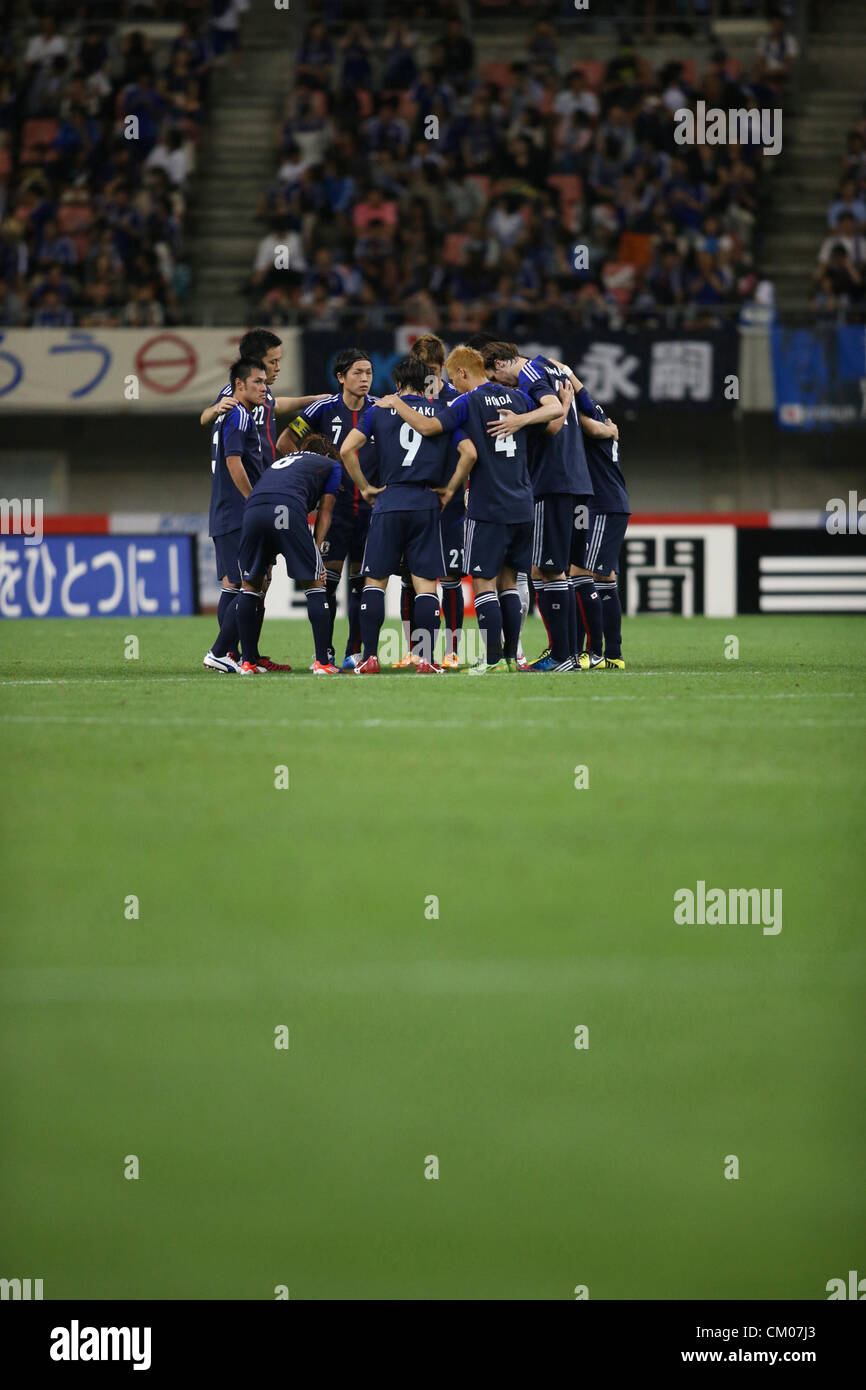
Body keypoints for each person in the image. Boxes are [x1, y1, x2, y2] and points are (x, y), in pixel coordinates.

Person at [382, 345, 563, 673]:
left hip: (488, 504)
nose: (453, 385)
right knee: (509, 582)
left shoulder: (468, 401)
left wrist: (396, 403)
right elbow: (552, 424)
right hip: (522, 503)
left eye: (453, 378)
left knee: (483, 583)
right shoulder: (518, 398)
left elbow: (428, 427)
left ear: (463, 373)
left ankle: (491, 660)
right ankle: (510, 658)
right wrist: (560, 405)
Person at [339, 356, 476, 674]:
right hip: (426, 503)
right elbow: (469, 452)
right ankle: (427, 660)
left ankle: (370, 658)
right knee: (426, 585)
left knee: (375, 582)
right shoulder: (443, 412)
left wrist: (365, 488)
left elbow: (346, 450)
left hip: (388, 501)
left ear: (398, 384)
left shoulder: (380, 410)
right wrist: (450, 489)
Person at [204, 435, 342, 675]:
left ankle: (247, 662)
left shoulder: (286, 460)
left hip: (253, 509)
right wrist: (316, 550)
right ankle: (322, 662)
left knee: (251, 585)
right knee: (316, 583)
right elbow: (326, 511)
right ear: (328, 455)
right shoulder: (331, 465)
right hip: (286, 508)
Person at [287, 348, 377, 670]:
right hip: (334, 511)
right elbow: (286, 440)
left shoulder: (379, 410)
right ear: (340, 377)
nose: (365, 378)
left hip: (368, 510)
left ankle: (354, 653)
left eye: (368, 372)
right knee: (326, 584)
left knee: (362, 585)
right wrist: (308, 477)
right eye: (358, 373)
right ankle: (323, 654)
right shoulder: (322, 409)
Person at [205, 357, 267, 670]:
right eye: (257, 381)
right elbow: (234, 461)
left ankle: (231, 654)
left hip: (224, 511)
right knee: (247, 585)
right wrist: (252, 499)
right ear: (239, 385)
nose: (264, 387)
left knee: (234, 583)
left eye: (265, 381)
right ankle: (220, 651)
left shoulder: (226, 412)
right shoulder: (240, 416)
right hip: (236, 512)